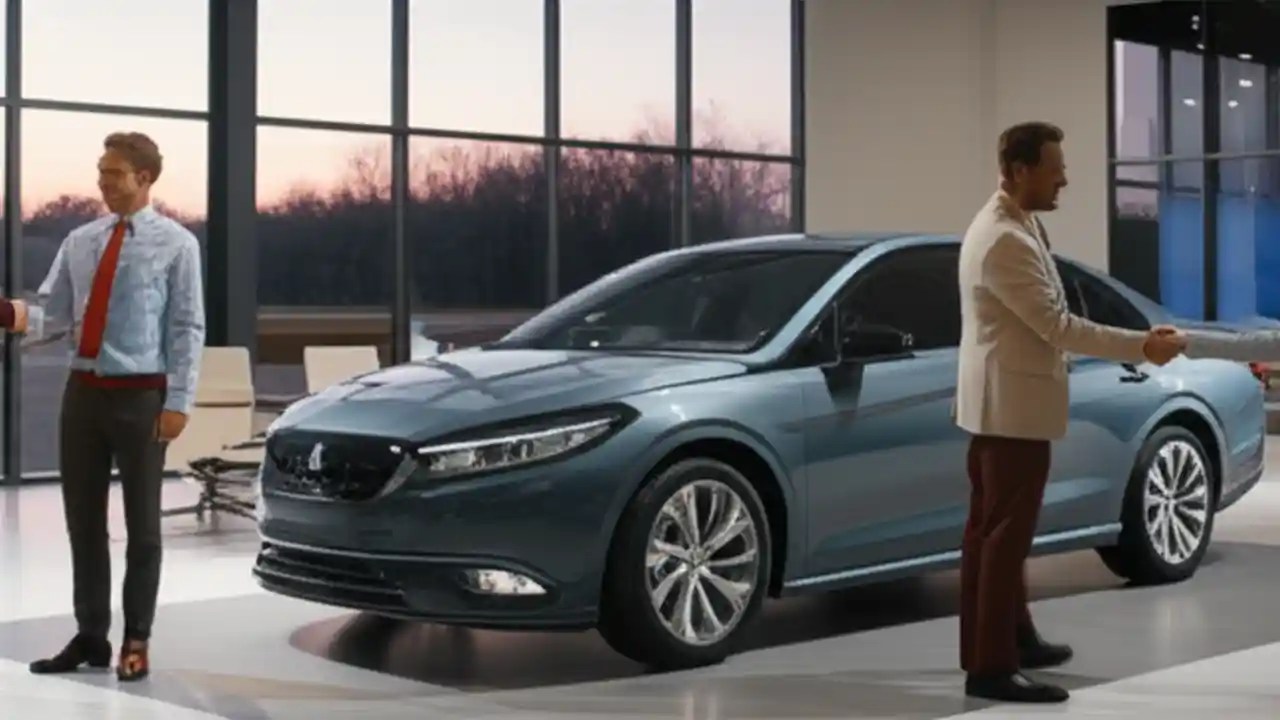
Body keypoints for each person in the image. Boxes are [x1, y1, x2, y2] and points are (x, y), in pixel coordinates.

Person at [954, 121, 1183, 704]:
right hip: (1011, 410)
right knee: (1003, 536)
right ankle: (991, 667)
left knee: (994, 533)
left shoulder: (1018, 222)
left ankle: (1011, 638)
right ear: (1020, 170)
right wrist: (1142, 346)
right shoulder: (1003, 237)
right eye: (1055, 168)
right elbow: (1057, 326)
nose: (1065, 178)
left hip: (1004, 405)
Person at [0, 132, 205, 681]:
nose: (103, 181)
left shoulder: (178, 245)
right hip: (83, 396)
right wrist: (10, 314)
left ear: (144, 178)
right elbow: (54, 314)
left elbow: (186, 329)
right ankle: (91, 636)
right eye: (100, 171)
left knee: (143, 529)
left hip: (142, 398)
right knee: (82, 524)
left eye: (114, 173)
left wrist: (179, 402)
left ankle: (137, 638)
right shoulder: (81, 240)